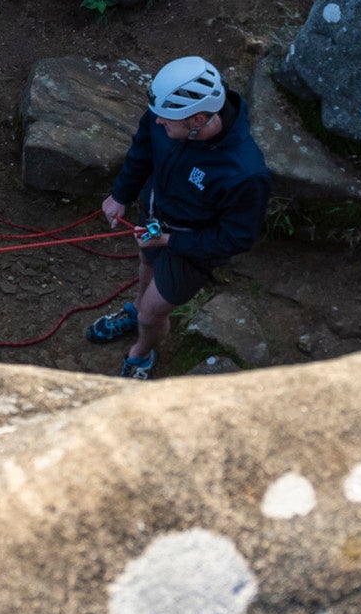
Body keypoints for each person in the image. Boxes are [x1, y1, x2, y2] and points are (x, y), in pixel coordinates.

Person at [88, 56, 272, 380]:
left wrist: (172, 240)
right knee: (146, 263)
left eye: (167, 120)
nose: (157, 121)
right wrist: (121, 194)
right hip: (156, 214)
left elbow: (236, 238)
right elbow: (143, 148)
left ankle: (141, 354)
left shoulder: (243, 173)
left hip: (193, 247)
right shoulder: (170, 113)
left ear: (198, 119)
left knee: (153, 313)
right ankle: (135, 309)